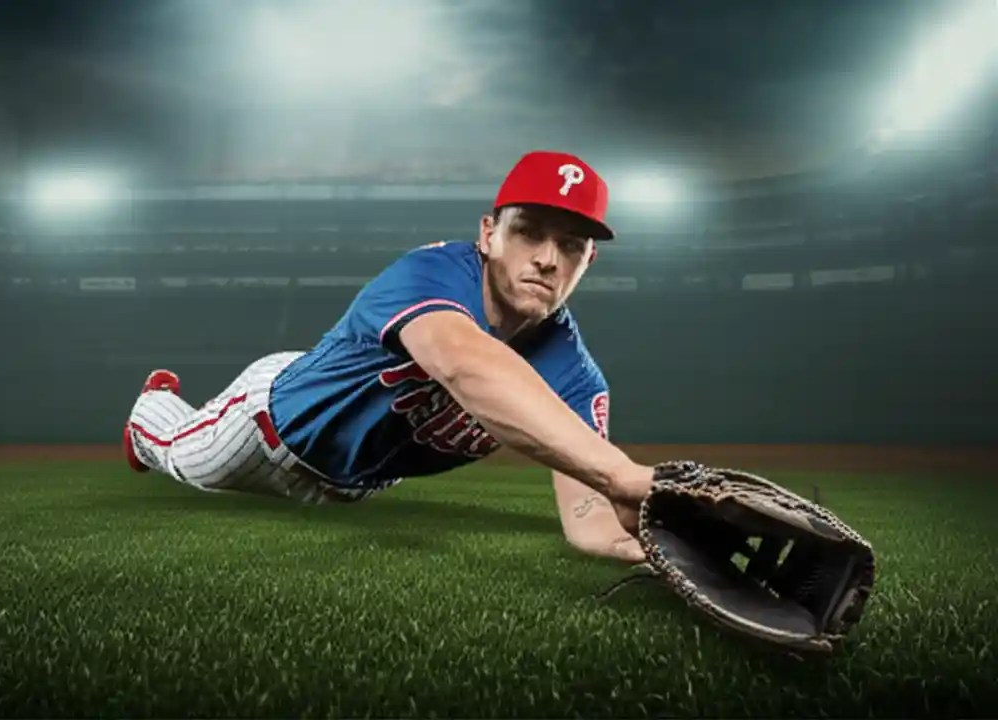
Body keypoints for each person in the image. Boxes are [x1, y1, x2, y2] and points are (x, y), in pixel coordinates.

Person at [123, 151, 655, 563]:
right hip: (265, 428)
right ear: (488, 234)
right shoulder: (432, 274)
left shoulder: (576, 376)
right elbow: (464, 361)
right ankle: (152, 406)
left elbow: (591, 511)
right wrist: (622, 474)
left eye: (570, 245)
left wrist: (647, 541)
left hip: (353, 487)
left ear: (590, 259)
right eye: (529, 232)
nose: (545, 258)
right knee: (177, 452)